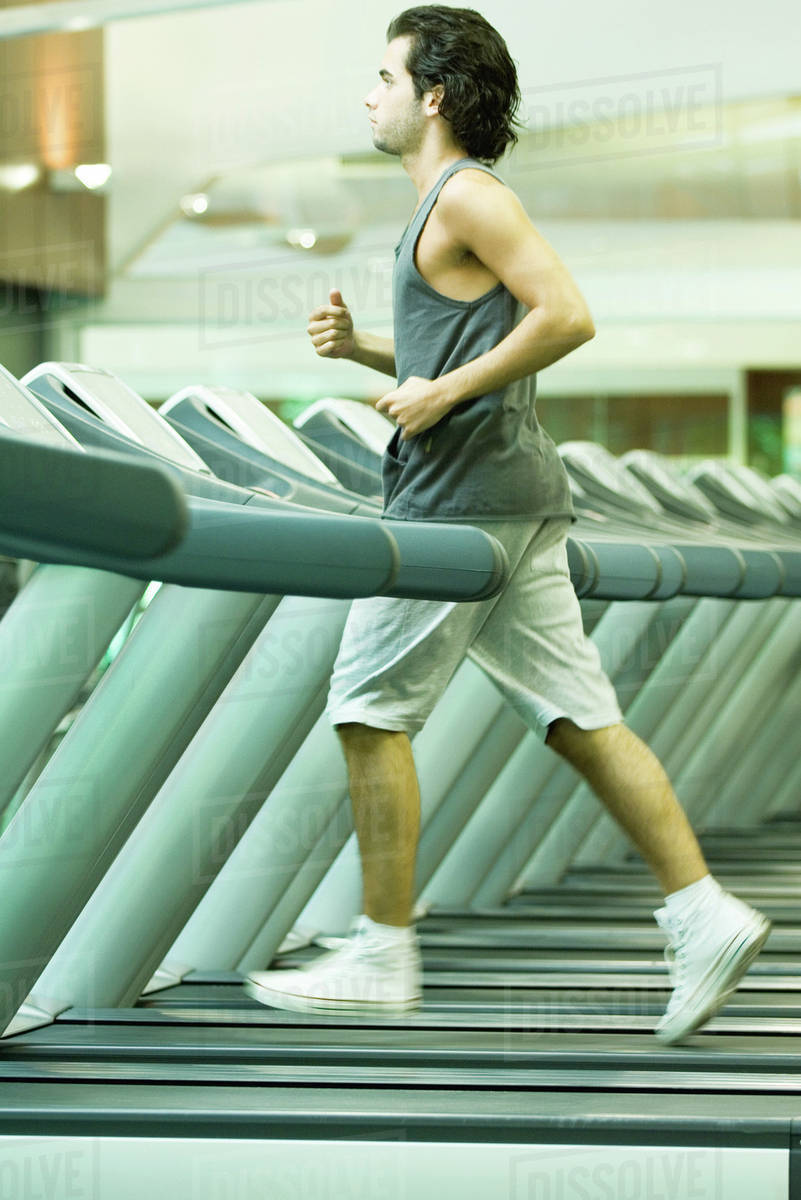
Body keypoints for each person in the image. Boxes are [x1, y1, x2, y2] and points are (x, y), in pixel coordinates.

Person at [244, 5, 770, 1044]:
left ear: (432, 94)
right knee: (579, 714)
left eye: (383, 77)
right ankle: (702, 914)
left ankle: (384, 952)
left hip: (460, 505)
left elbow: (565, 313)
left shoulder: (469, 196)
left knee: (368, 709)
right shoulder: (444, 206)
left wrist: (441, 399)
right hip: (514, 498)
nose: (369, 95)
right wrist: (366, 355)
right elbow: (467, 338)